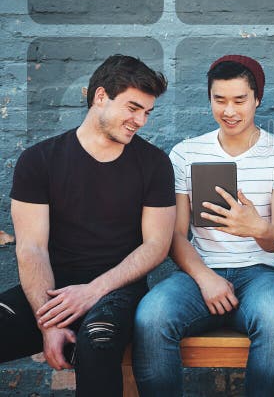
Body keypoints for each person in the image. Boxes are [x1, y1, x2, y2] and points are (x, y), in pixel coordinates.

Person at [0, 55, 175, 397]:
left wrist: (93, 290)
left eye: (146, 113)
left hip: (116, 290)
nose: (140, 120)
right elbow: (31, 248)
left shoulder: (154, 164)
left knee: (99, 342)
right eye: (133, 108)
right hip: (49, 290)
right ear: (100, 97)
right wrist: (48, 323)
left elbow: (157, 245)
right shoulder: (39, 160)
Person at [133, 55, 274, 397]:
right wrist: (205, 278)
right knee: (150, 318)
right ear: (209, 98)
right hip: (199, 272)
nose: (229, 110)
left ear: (257, 99)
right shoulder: (185, 154)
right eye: (220, 100)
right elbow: (175, 236)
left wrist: (257, 227)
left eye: (240, 100)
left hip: (262, 274)